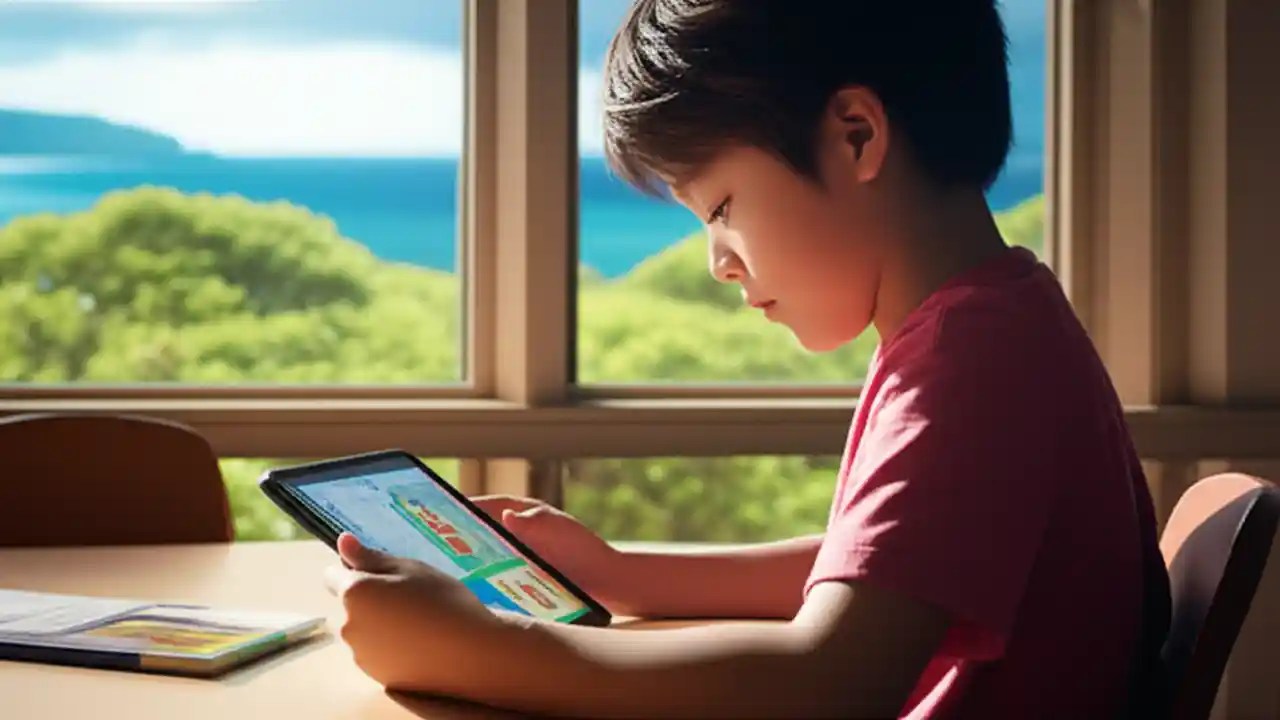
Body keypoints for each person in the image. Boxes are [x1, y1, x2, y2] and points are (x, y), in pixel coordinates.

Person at [323, 1, 1171, 717]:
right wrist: (621, 575)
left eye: (721, 208)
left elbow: (832, 680)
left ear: (856, 136)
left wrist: (487, 649)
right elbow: (879, 575)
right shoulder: (996, 319)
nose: (717, 264)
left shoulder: (971, 358)